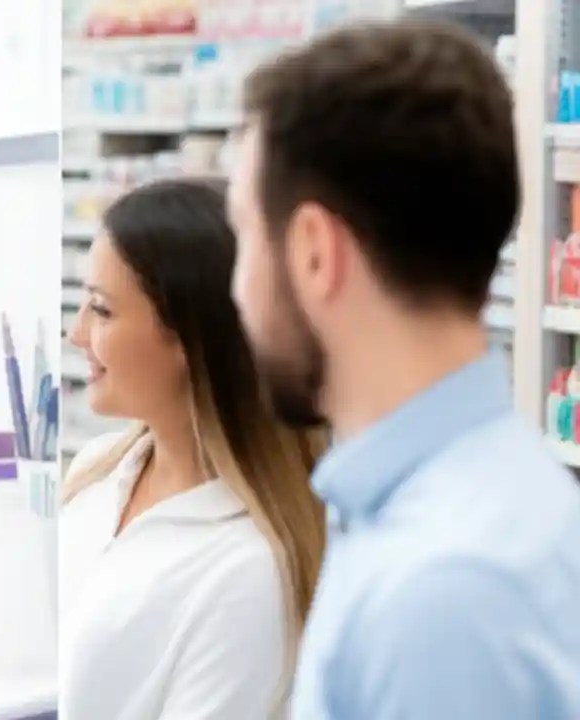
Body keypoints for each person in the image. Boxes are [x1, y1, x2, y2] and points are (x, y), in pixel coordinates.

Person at [229, 20, 580, 719]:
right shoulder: (481, 496)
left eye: (244, 236)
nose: (235, 289)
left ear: (314, 252)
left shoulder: (439, 596)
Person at [60, 178, 326, 719]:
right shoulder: (96, 474)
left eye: (101, 310)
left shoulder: (246, 573)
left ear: (188, 336)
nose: (77, 334)